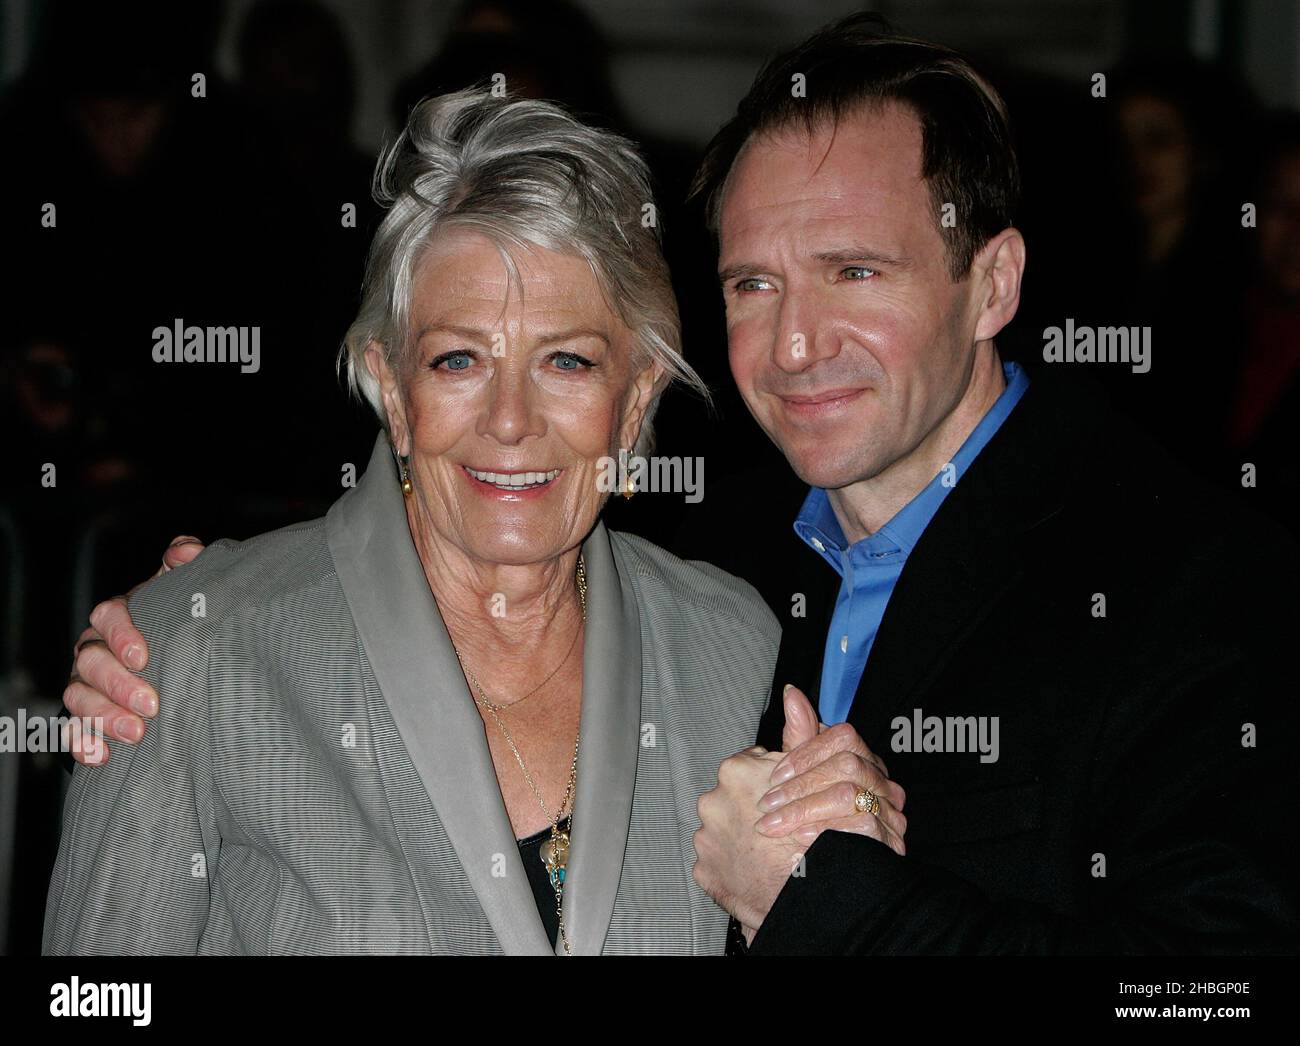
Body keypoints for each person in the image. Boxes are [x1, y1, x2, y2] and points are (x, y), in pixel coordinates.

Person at [45, 88, 887, 956]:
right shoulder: (196, 651)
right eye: (459, 360)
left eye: (566, 360)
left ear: (633, 402)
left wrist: (849, 878)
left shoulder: (732, 641)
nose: (511, 420)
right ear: (394, 391)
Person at [686, 15, 1299, 954]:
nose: (795, 345)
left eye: (854, 271)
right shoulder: (703, 560)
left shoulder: (1197, 580)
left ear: (994, 283)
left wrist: (837, 909)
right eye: (753, 286)